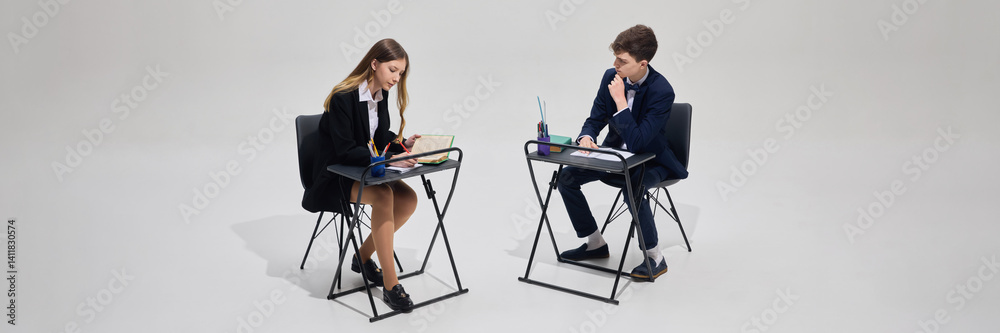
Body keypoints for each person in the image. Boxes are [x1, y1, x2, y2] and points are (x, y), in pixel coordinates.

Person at [557, 25, 688, 280]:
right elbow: (595, 118)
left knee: (634, 187)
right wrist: (587, 137)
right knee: (567, 178)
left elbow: (639, 142)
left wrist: (619, 101)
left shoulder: (662, 91)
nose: (615, 64)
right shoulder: (610, 76)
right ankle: (595, 243)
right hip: (616, 155)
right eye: (615, 57)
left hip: (652, 161)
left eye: (622, 60)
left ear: (642, 63)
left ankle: (655, 257)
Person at [302, 38, 420, 311]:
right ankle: (391, 286)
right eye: (393, 70)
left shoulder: (381, 96)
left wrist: (403, 146)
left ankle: (362, 257)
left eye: (400, 73)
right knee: (383, 195)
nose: (396, 78)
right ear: (374, 63)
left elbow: (378, 139)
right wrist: (392, 157)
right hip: (334, 178)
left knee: (408, 199)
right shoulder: (342, 97)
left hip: (364, 171)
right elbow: (344, 151)